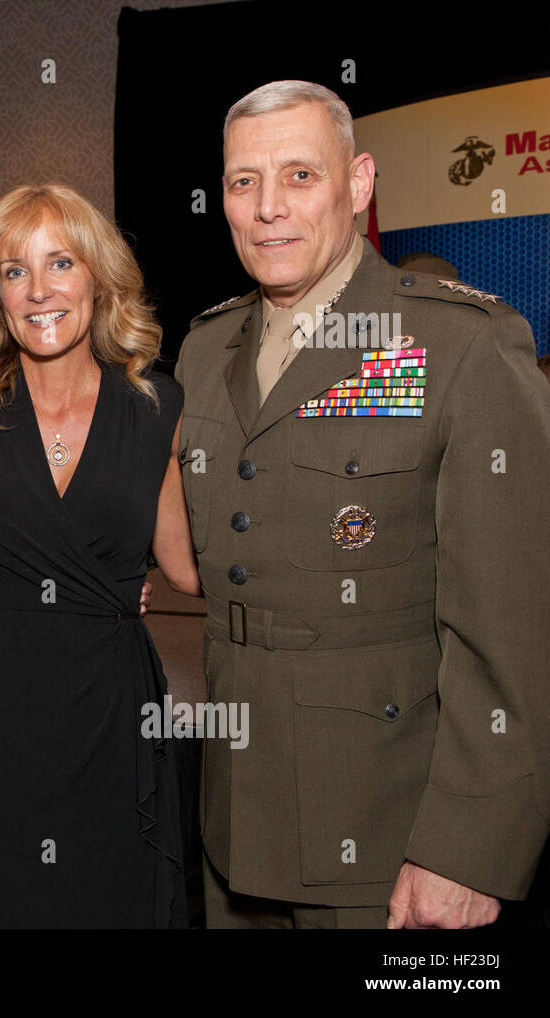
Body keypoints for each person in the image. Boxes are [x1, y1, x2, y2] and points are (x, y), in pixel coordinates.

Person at [176, 79, 550, 929]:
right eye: (243, 182)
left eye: (300, 175)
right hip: (237, 818)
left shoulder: (458, 345)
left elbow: (516, 630)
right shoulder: (203, 350)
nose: (268, 208)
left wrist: (467, 849)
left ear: (359, 183)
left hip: (386, 834)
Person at [0, 183, 199, 927]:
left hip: (114, 714)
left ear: (98, 276)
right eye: (14, 270)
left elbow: (190, 569)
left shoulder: (157, 405)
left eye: (61, 263)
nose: (39, 291)